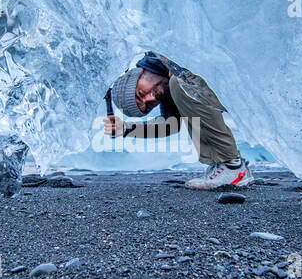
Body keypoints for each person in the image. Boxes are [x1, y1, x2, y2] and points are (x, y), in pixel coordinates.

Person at [103, 52, 252, 189]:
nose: (152, 98)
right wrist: (126, 128)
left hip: (243, 70)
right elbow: (170, 125)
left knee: (180, 83)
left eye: (141, 93)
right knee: (178, 83)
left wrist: (172, 64)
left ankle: (231, 165)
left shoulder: (162, 54)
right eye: (149, 106)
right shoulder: (166, 82)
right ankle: (223, 165)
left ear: (137, 75)